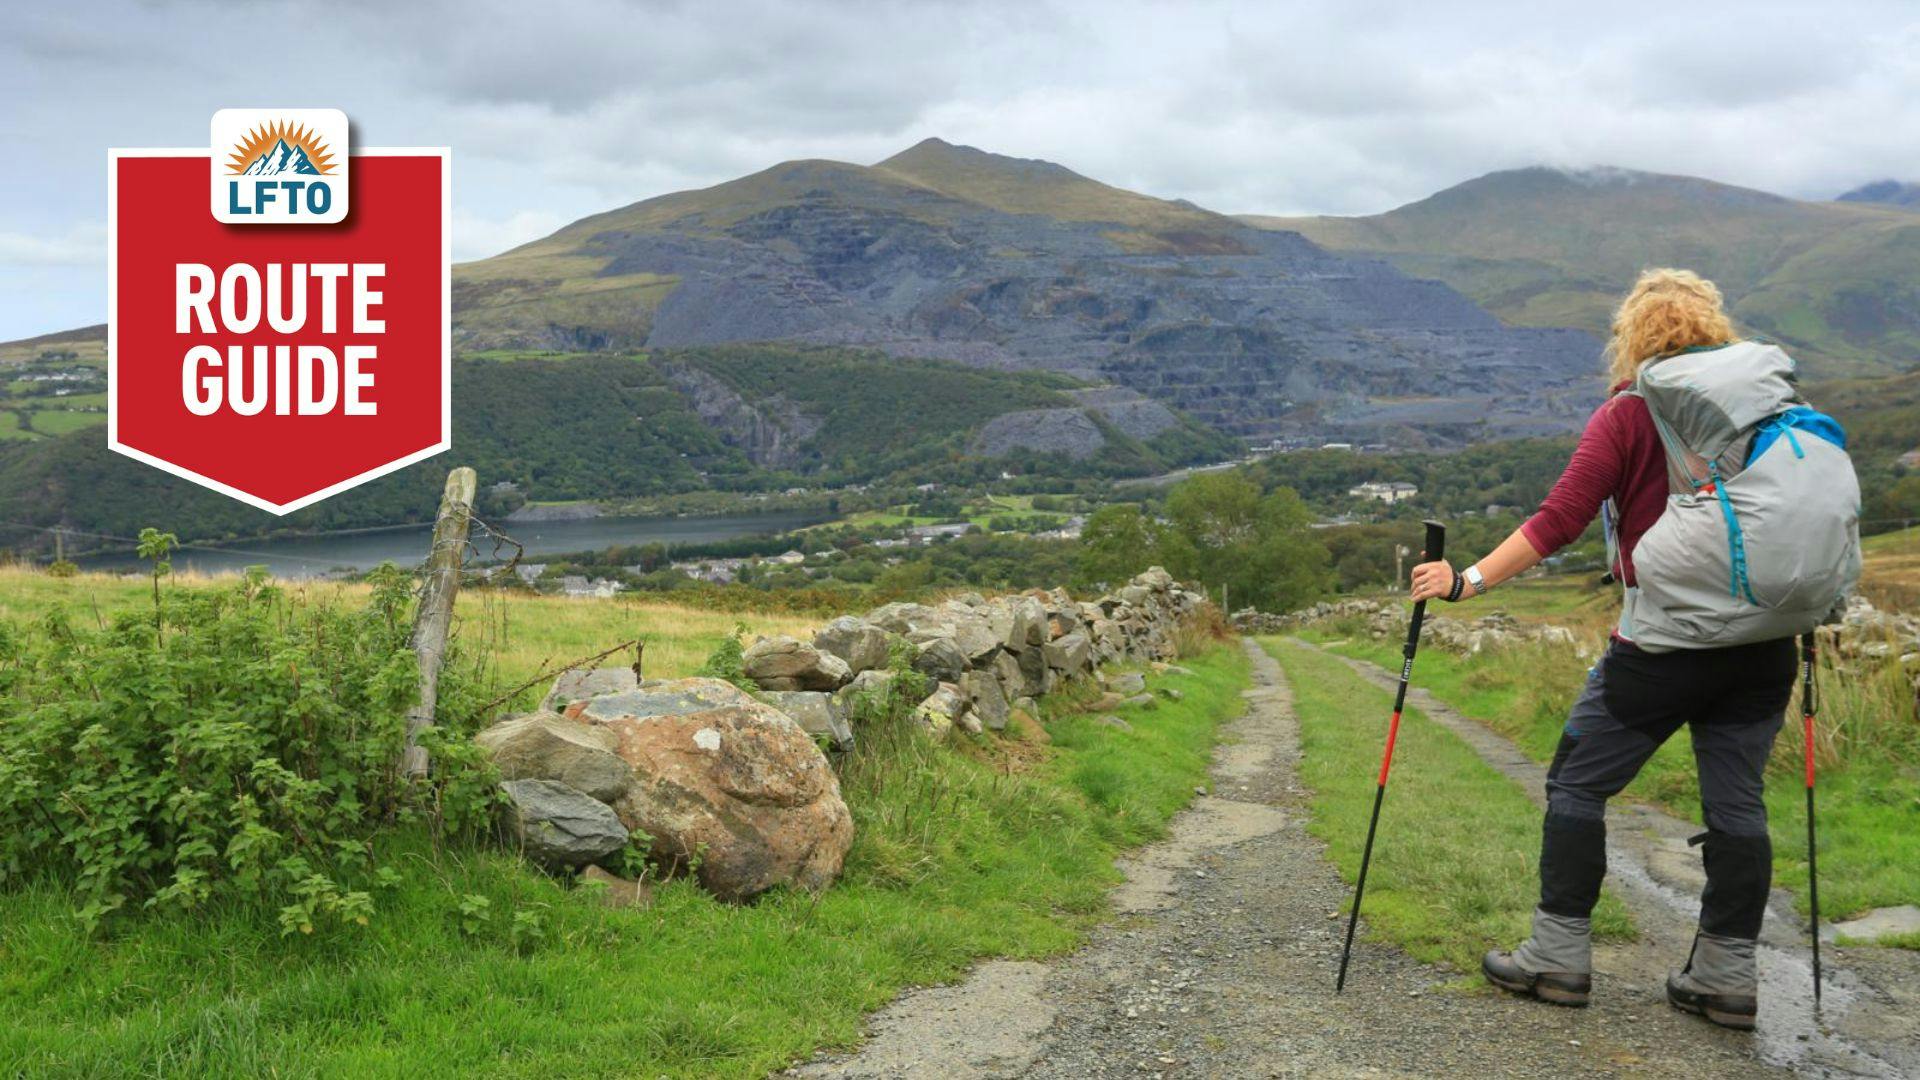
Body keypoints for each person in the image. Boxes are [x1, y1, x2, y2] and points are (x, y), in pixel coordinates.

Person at [1407, 268, 1792, 1031]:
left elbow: (1559, 520)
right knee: (1738, 807)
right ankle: (1726, 978)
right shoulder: (1768, 412)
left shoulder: (1628, 415)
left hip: (1661, 648)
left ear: (1634, 338)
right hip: (1765, 646)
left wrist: (1465, 583)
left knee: (1578, 785)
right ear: (1715, 330)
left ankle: (1557, 958)